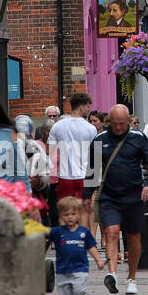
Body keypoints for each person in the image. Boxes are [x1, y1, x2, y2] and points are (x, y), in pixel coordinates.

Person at [92, 104, 148, 295]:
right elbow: (91, 167)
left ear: (128, 121)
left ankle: (132, 278)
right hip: (109, 196)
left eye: (122, 123)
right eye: (115, 124)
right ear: (110, 122)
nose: (119, 127)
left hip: (134, 195)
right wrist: (88, 193)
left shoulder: (137, 138)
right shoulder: (100, 140)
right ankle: (112, 274)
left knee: (133, 237)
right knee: (111, 232)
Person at [46, 196, 105, 295]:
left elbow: (91, 247)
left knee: (79, 291)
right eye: (66, 214)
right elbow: (44, 232)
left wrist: (98, 260)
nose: (70, 217)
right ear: (61, 216)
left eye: (73, 214)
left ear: (79, 215)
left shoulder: (83, 232)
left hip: (80, 269)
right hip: (62, 270)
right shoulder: (57, 232)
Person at [48, 93, 98, 222]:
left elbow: (51, 152)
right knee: (83, 212)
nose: (88, 110)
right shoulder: (91, 128)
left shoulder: (57, 126)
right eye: (87, 106)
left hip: (64, 176)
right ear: (81, 107)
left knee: (64, 211)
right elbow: (95, 156)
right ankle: (82, 239)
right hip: (84, 177)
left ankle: (63, 240)